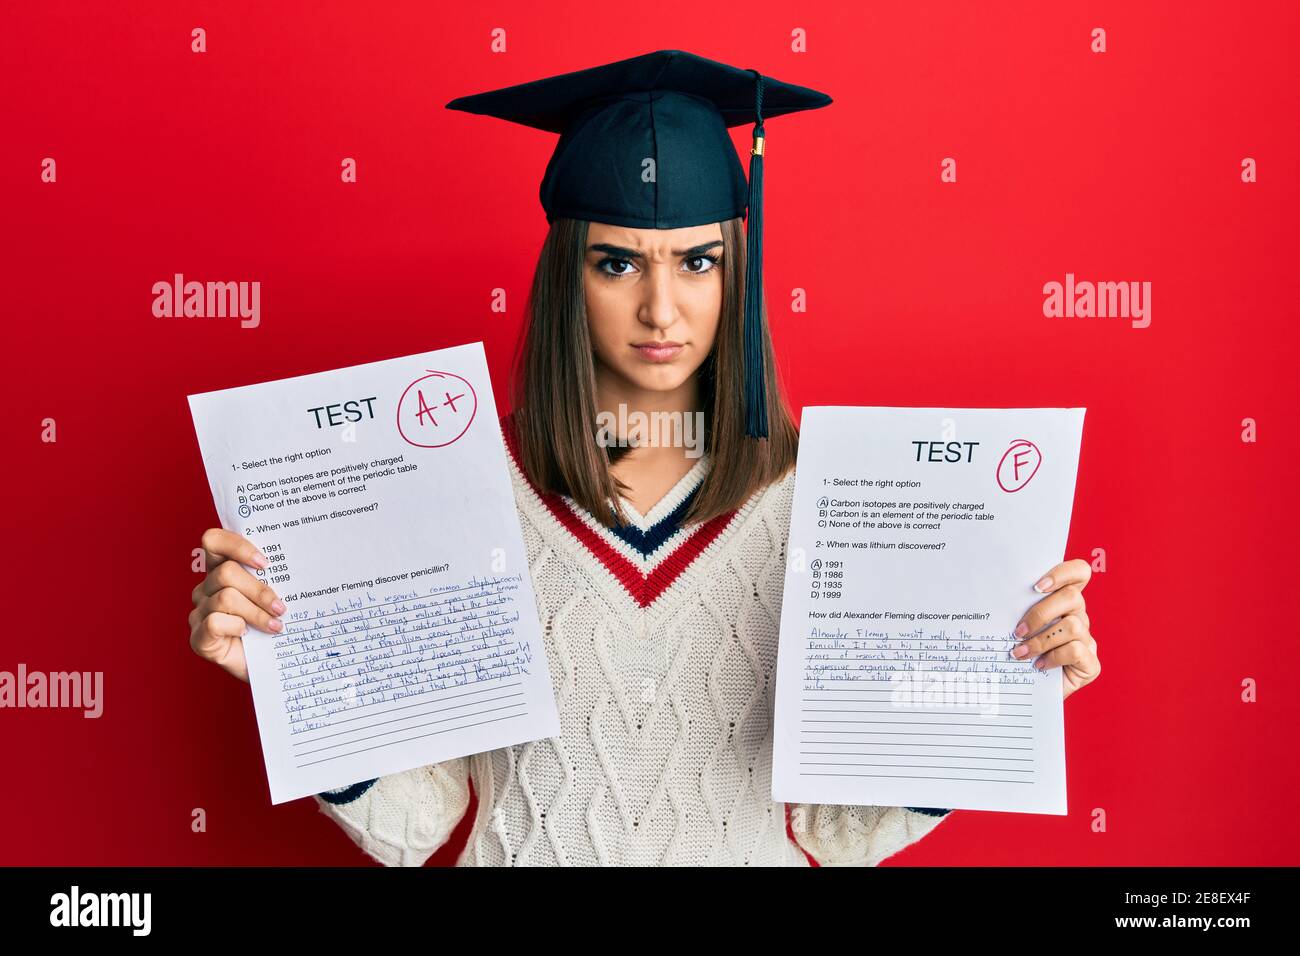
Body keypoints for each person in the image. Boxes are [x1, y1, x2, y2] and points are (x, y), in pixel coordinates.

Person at [187, 49, 1102, 866]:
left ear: (736, 271)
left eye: (698, 263)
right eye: (618, 264)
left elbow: (837, 830)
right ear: (566, 277)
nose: (662, 309)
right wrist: (289, 671)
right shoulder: (456, 489)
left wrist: (999, 679)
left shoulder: (842, 499)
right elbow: (420, 822)